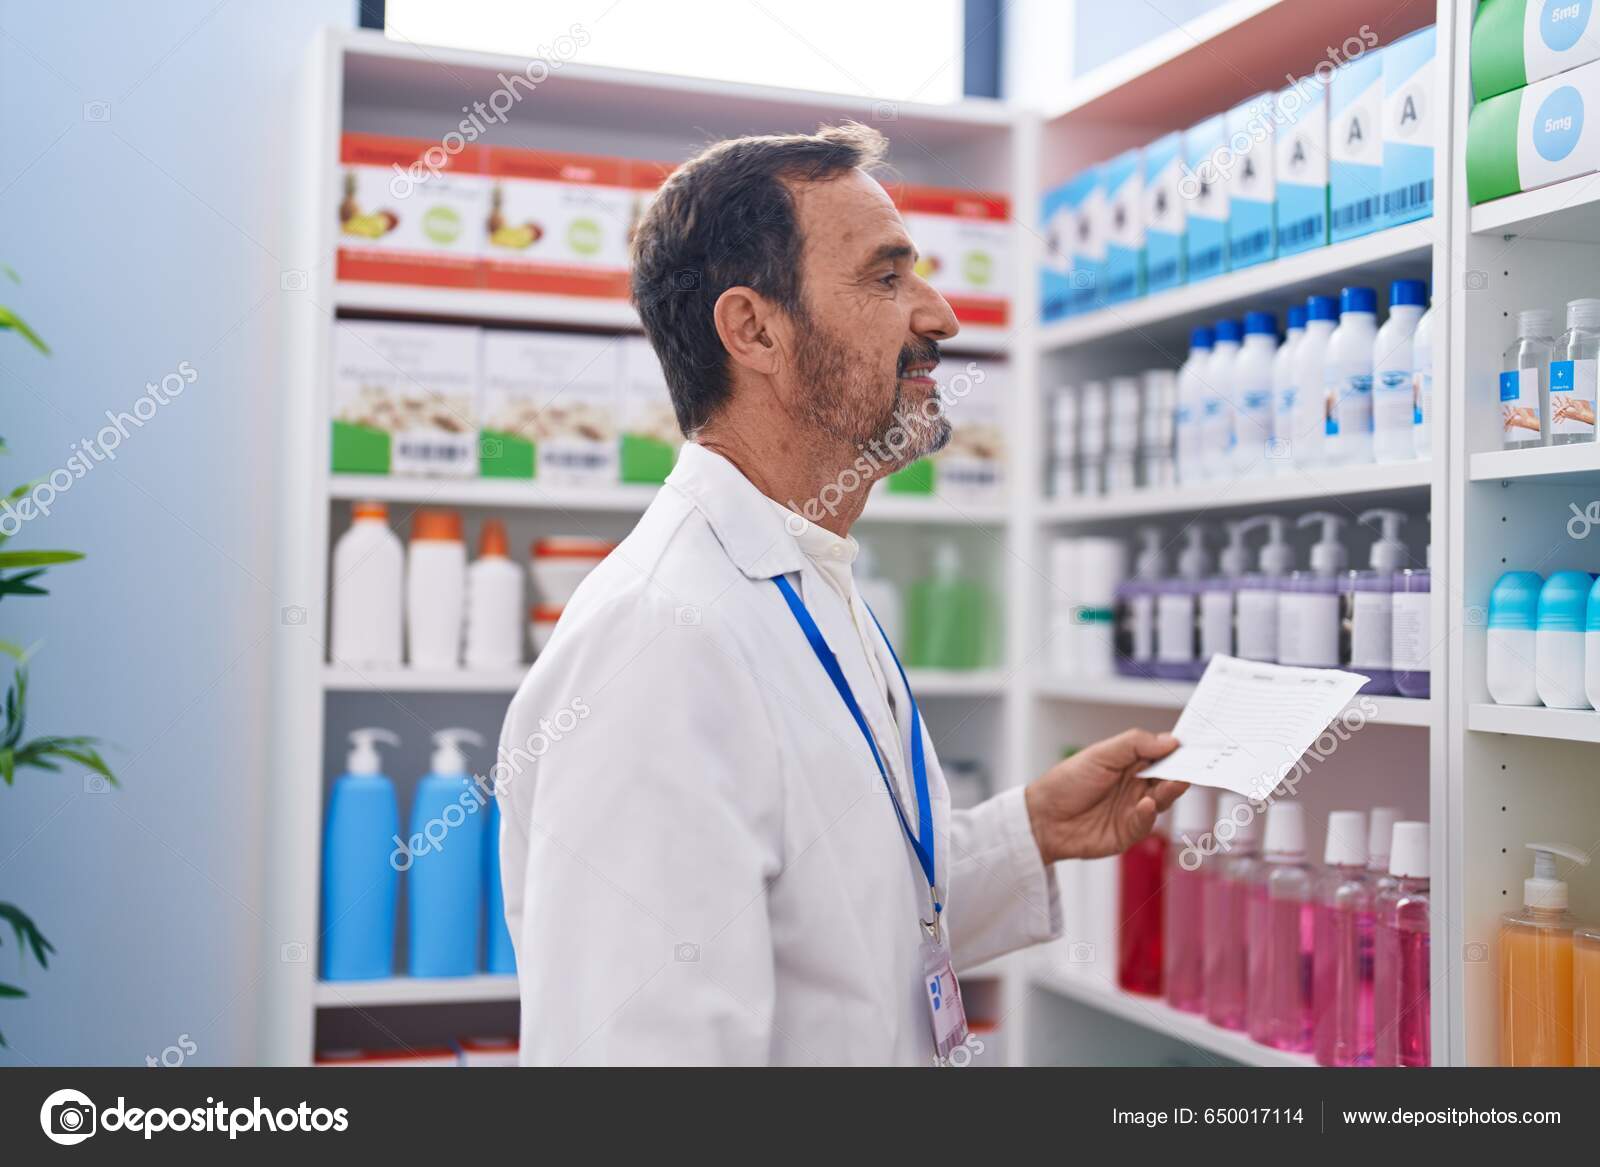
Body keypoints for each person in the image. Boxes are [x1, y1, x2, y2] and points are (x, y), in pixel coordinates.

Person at [496, 122, 1187, 1065]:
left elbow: (846, 928)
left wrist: (1032, 831)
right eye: (887, 278)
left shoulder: (805, 572)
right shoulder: (661, 641)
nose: (940, 316)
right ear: (754, 329)